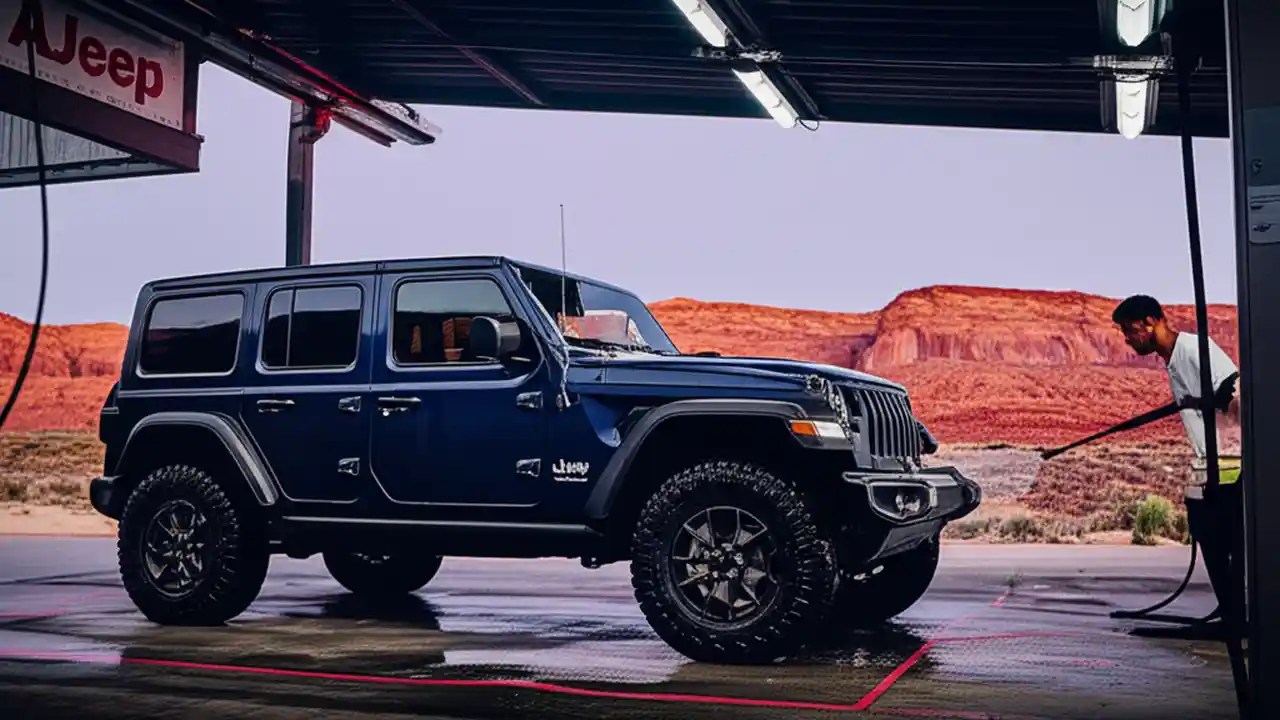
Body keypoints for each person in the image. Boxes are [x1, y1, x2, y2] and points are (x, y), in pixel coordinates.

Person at [1112, 294, 1242, 625]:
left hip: (1231, 462)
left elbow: (1235, 389)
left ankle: (1236, 616)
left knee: (1225, 539)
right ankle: (1231, 611)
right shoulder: (1172, 358)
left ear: (1149, 322)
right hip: (1209, 463)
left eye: (1129, 330)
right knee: (1208, 536)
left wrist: (1200, 401)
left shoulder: (1192, 348)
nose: (1127, 339)